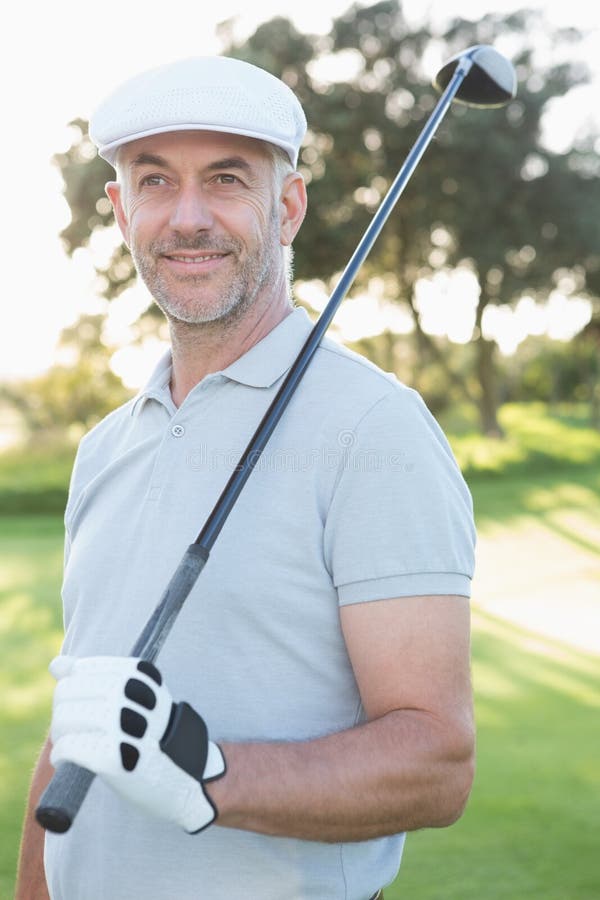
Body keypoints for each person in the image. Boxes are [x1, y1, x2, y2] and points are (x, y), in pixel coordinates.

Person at [16, 56, 476, 900]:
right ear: (121, 212)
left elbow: (436, 761)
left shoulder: (376, 429)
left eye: (226, 180)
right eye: (155, 182)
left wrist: (208, 774)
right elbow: (78, 729)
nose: (188, 218)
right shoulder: (103, 448)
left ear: (288, 206)